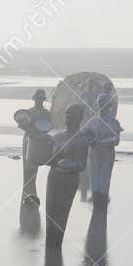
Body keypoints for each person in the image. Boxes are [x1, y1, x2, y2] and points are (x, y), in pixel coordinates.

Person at [43, 104, 92, 249]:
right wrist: (47, 159)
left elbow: (82, 164)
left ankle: (56, 244)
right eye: (67, 114)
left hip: (69, 179)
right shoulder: (57, 137)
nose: (68, 117)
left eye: (72, 115)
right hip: (53, 176)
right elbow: (48, 158)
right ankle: (49, 246)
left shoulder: (81, 140)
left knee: (62, 212)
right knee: (50, 211)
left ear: (80, 118)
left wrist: (68, 163)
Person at [15, 88, 53, 205]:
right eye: (37, 98)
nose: (38, 100)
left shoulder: (45, 113)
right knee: (28, 169)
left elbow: (48, 127)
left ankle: (29, 197)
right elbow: (21, 124)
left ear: (42, 100)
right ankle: (28, 197)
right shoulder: (29, 112)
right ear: (35, 99)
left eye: (40, 99)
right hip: (29, 139)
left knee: (32, 169)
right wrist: (27, 128)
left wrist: (35, 131)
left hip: (37, 141)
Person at [86, 83, 122, 207]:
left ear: (109, 106)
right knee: (94, 182)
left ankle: (102, 205)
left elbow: (116, 140)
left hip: (107, 155)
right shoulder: (92, 122)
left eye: (105, 104)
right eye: (101, 103)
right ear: (98, 105)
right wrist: (91, 141)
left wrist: (102, 142)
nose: (103, 106)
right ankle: (97, 206)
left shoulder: (114, 122)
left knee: (105, 183)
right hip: (94, 154)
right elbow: (86, 138)